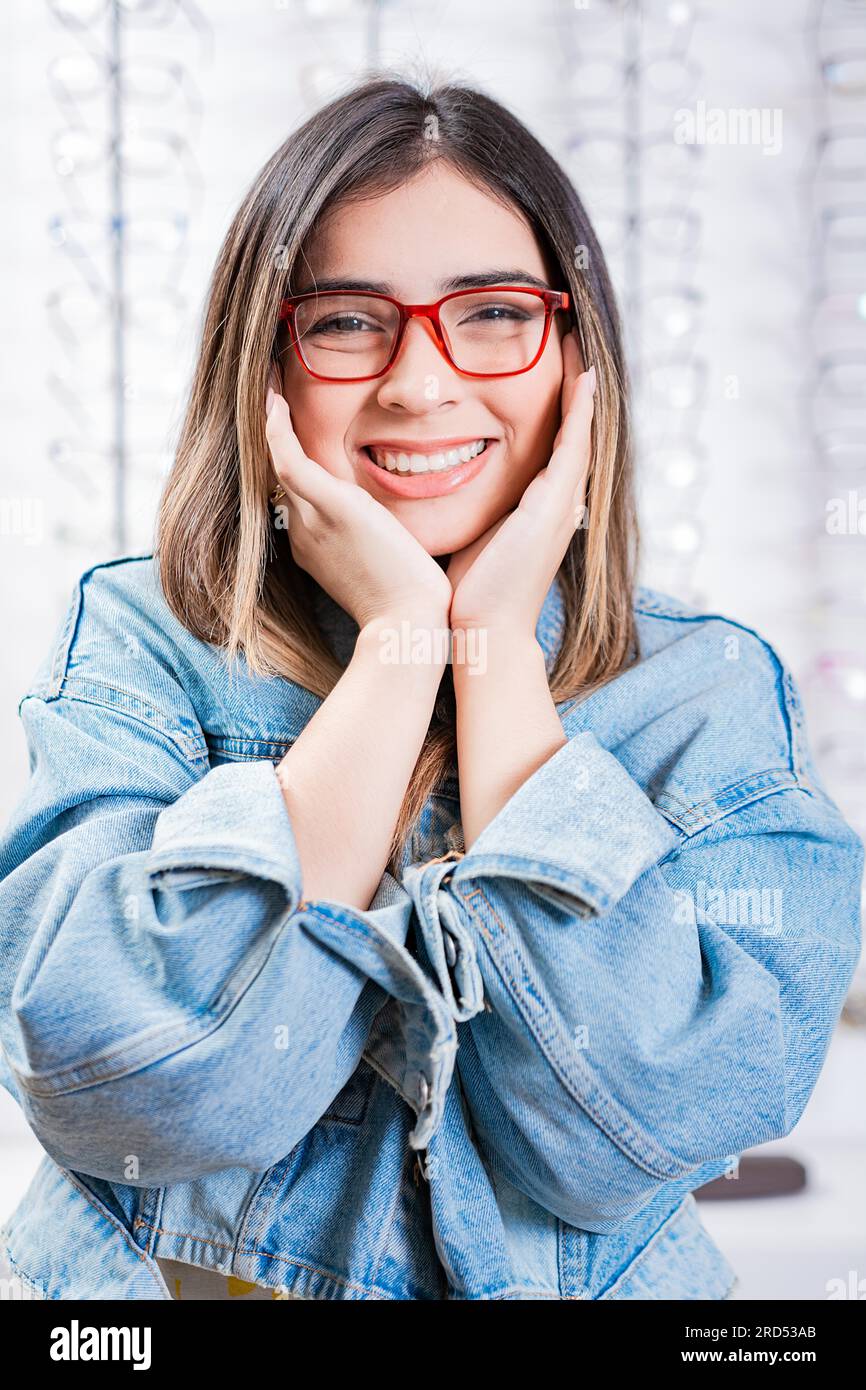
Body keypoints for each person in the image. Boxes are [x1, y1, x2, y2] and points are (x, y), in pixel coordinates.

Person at [0, 76, 862, 1302]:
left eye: (493, 314)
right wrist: (403, 635)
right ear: (267, 365)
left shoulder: (703, 689)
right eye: (349, 321)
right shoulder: (141, 639)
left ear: (577, 359)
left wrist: (494, 647)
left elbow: (637, 1128)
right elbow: (147, 1090)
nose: (418, 381)